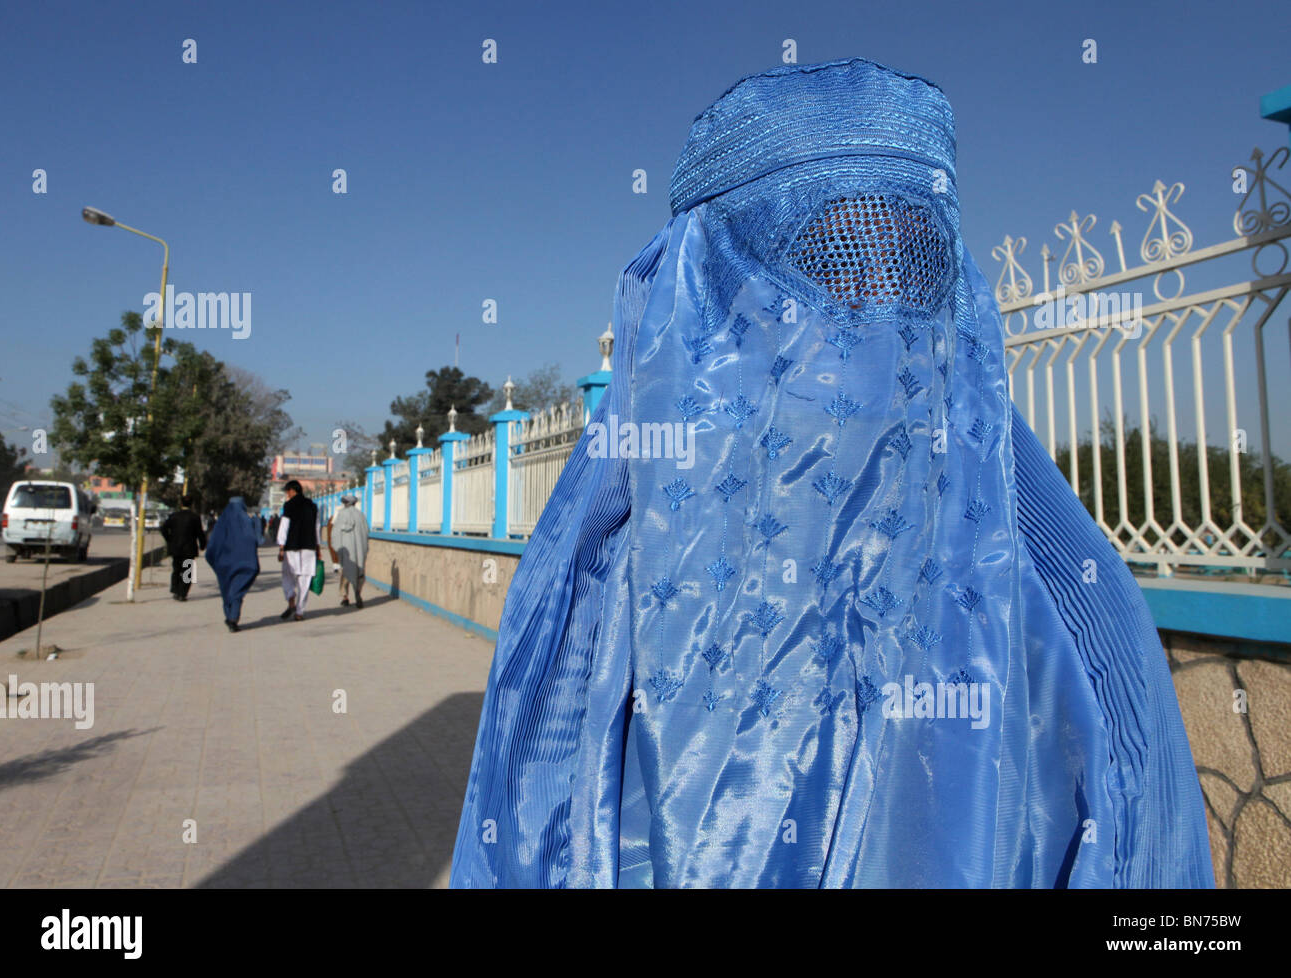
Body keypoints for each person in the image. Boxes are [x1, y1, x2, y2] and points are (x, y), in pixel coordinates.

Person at [449, 58, 1212, 889]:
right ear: (694, 309)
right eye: (825, 277)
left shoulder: (1077, 623)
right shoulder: (583, 604)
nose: (868, 339)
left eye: (906, 276)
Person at [204, 493, 260, 632]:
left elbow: (212, 546)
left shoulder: (222, 522)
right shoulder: (246, 521)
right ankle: (233, 618)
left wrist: (213, 559)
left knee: (227, 591)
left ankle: (181, 592)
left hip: (222, 564)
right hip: (244, 564)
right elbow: (255, 540)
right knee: (237, 591)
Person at [277, 480, 321, 621]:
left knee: (288, 575)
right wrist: (318, 547)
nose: (287, 494)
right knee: (305, 578)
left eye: (287, 491)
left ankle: (291, 600)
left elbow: (284, 527)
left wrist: (281, 547)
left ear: (291, 491)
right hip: (309, 547)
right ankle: (300, 611)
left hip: (292, 547)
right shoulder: (313, 506)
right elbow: (317, 528)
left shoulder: (289, 505)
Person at [327, 492, 370, 608]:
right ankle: (358, 593)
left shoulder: (340, 514)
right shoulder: (361, 515)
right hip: (360, 550)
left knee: (345, 572)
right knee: (359, 572)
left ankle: (345, 597)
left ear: (345, 503)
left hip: (346, 551)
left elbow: (334, 533)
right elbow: (366, 532)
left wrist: (336, 549)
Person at [160, 496, 207, 602]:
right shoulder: (194, 517)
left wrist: (169, 540)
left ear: (181, 504)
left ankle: (175, 590)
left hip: (175, 548)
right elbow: (200, 533)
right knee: (187, 572)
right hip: (189, 549)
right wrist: (203, 545)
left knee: (176, 569)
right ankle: (183, 593)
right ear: (192, 504)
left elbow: (163, 528)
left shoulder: (174, 516)